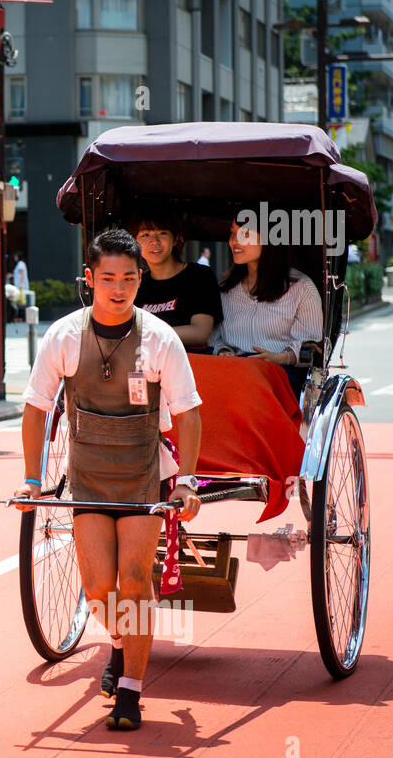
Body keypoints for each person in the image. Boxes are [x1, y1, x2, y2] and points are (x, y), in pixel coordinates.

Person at [18, 228, 202, 731]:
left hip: (143, 477)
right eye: (107, 279)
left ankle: (131, 691)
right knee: (100, 587)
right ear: (89, 279)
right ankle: (119, 643)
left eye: (127, 278)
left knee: (134, 581)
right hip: (88, 478)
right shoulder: (65, 335)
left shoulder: (160, 339)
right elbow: (35, 410)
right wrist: (34, 481)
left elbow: (188, 414)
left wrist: (185, 482)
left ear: (140, 279)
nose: (118, 288)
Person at [210, 219, 324, 378]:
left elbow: (310, 348)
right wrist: (223, 351)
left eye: (245, 234)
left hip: (281, 373)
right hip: (233, 372)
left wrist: (278, 358)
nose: (234, 241)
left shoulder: (301, 287)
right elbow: (214, 338)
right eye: (232, 233)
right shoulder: (224, 290)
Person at [130, 213, 223, 351]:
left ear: (175, 239)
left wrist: (147, 335)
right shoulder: (137, 285)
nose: (154, 241)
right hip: (146, 364)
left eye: (162, 233)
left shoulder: (199, 275)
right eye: (145, 235)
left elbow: (199, 333)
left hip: (191, 364)